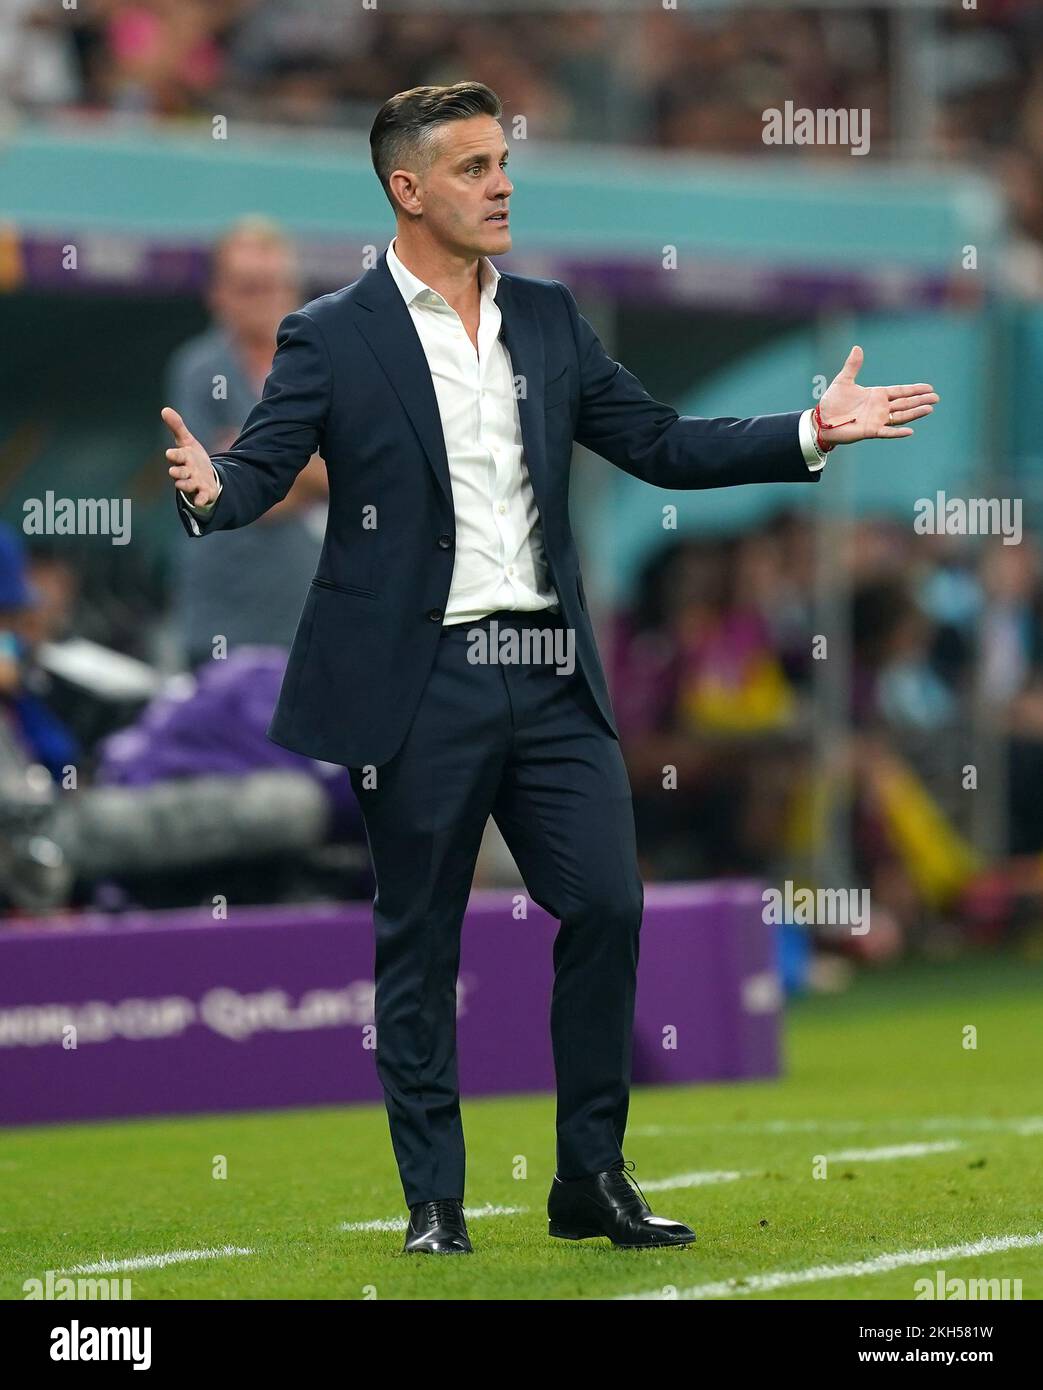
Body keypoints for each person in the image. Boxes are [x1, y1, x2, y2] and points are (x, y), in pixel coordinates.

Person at [162, 81, 938, 1254]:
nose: (501, 183)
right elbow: (264, 468)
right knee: (419, 935)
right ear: (407, 188)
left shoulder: (548, 318)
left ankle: (589, 1178)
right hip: (415, 683)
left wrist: (806, 429)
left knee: (608, 903)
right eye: (473, 166)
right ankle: (434, 1201)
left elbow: (660, 443)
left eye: (502, 161)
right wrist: (216, 490)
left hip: (548, 669)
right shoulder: (331, 332)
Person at [163, 215, 328, 670]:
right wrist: (314, 468)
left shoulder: (326, 364)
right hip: (224, 622)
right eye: (248, 287)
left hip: (317, 620)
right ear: (218, 294)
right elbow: (213, 494)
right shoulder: (199, 370)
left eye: (275, 284)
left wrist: (260, 466)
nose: (266, 300)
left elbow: (366, 477)